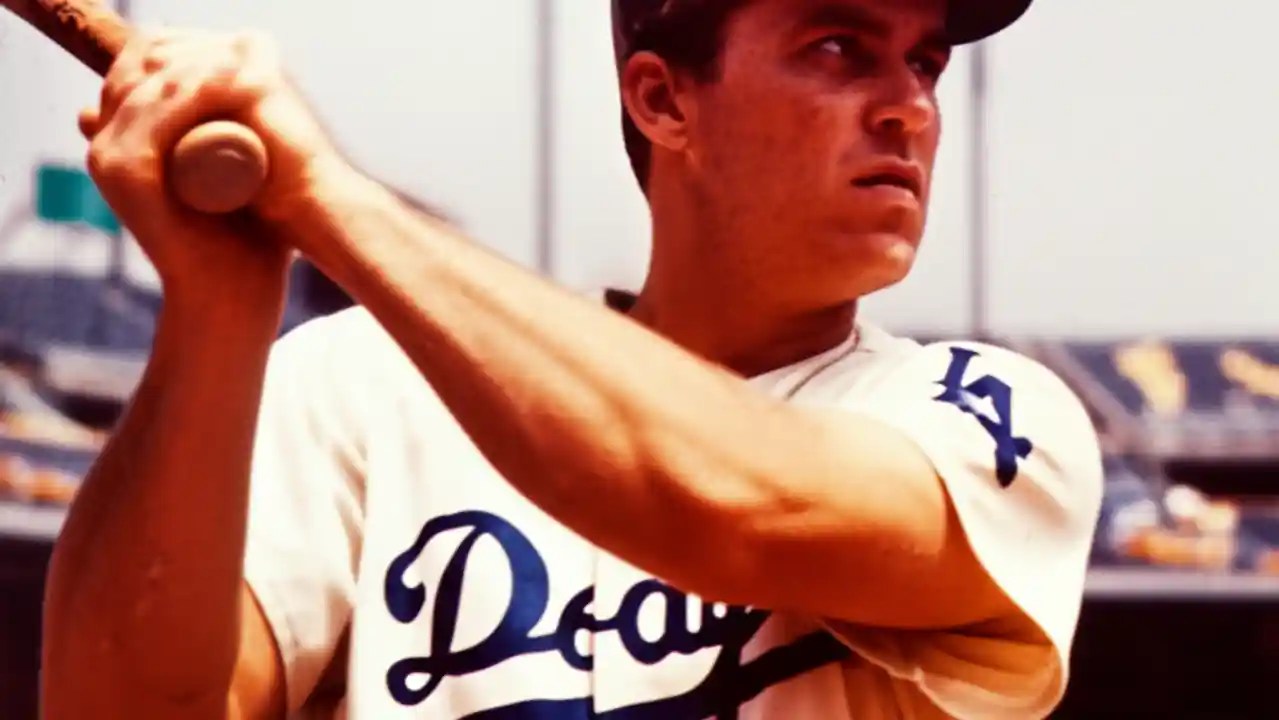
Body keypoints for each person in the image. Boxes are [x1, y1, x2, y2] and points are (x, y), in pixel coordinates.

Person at [40, 0, 1104, 718]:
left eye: (924, 61)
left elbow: (728, 505)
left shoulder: (985, 414)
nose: (910, 105)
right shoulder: (356, 385)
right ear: (663, 100)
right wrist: (218, 311)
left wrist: (328, 198)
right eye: (837, 46)